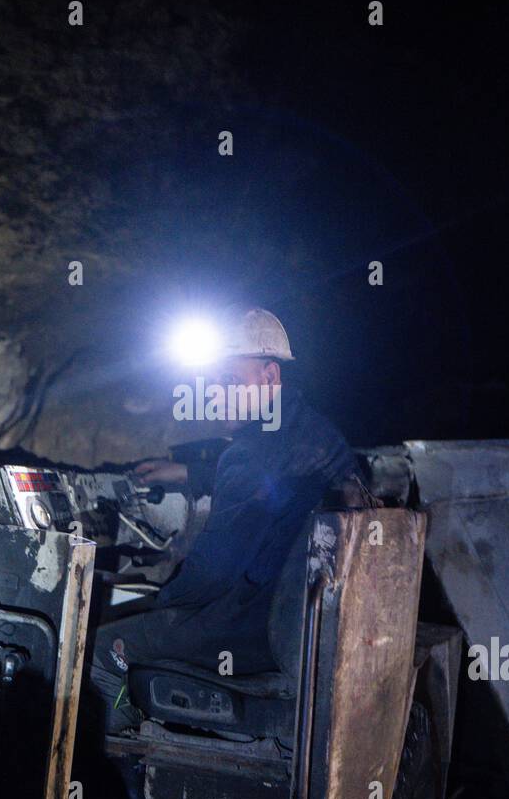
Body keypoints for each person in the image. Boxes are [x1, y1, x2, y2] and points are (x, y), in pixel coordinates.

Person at [87, 307, 366, 732]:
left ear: (270, 377)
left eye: (230, 381)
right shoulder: (312, 430)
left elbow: (212, 574)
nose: (216, 394)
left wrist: (156, 605)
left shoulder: (250, 455)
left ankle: (125, 762)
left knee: (101, 649)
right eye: (212, 383)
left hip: (249, 629)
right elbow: (273, 482)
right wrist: (190, 473)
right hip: (301, 625)